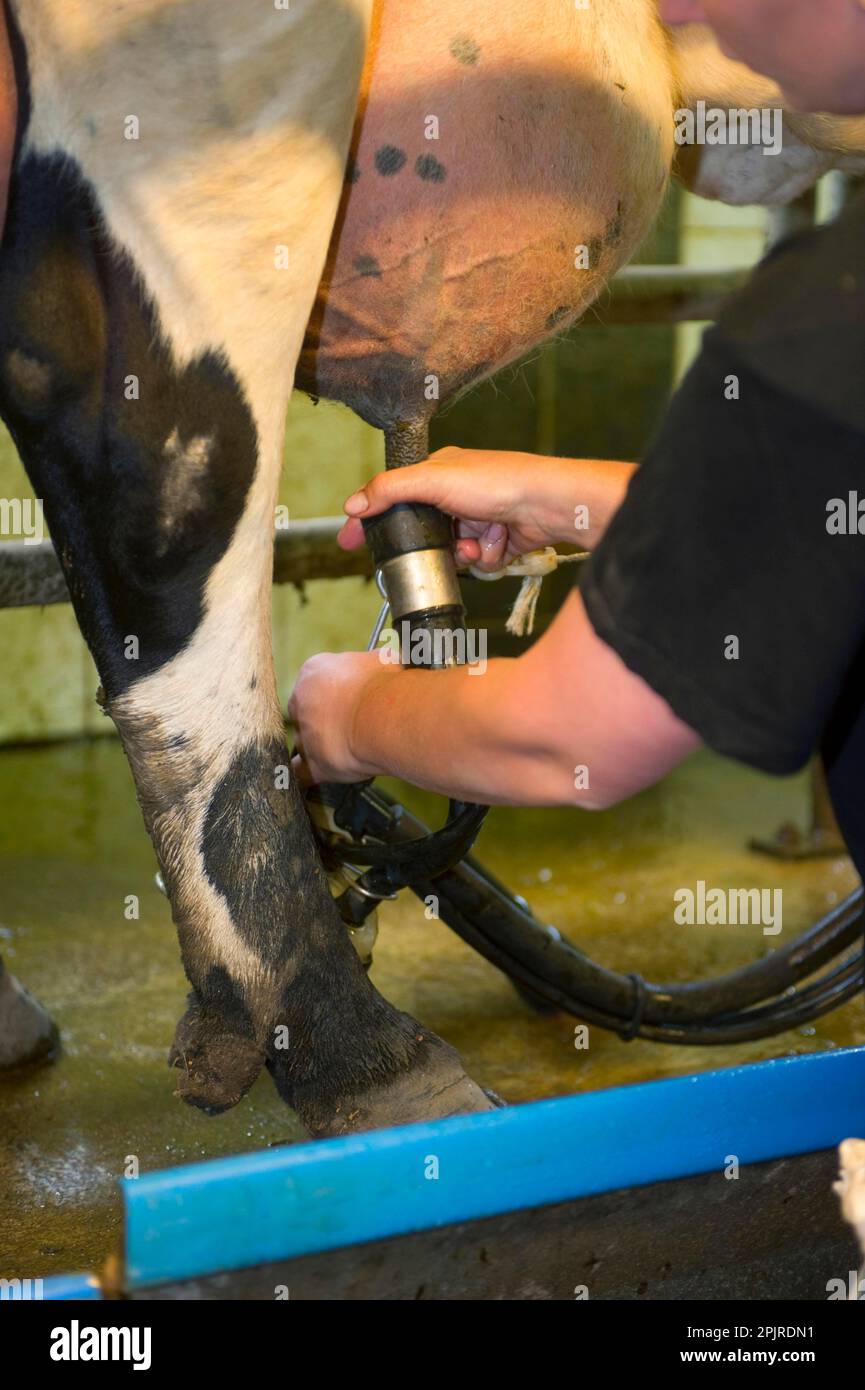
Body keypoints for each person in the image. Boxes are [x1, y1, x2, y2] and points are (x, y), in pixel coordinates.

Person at [289, 0, 865, 890]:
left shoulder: (827, 316)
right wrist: (567, 497)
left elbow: (570, 737)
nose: (672, 6)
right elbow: (822, 523)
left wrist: (352, 713)